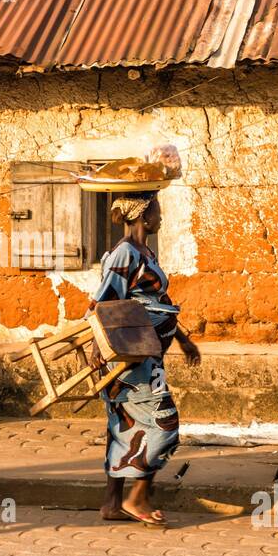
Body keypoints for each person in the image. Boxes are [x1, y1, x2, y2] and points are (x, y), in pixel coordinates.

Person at [92, 192, 200, 526]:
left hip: (147, 354)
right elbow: (104, 302)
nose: (161, 217)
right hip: (130, 360)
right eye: (157, 210)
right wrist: (101, 349)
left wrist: (182, 339)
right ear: (143, 214)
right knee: (166, 424)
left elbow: (159, 300)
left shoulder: (145, 252)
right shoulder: (124, 253)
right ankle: (137, 496)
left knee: (123, 426)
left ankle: (112, 504)